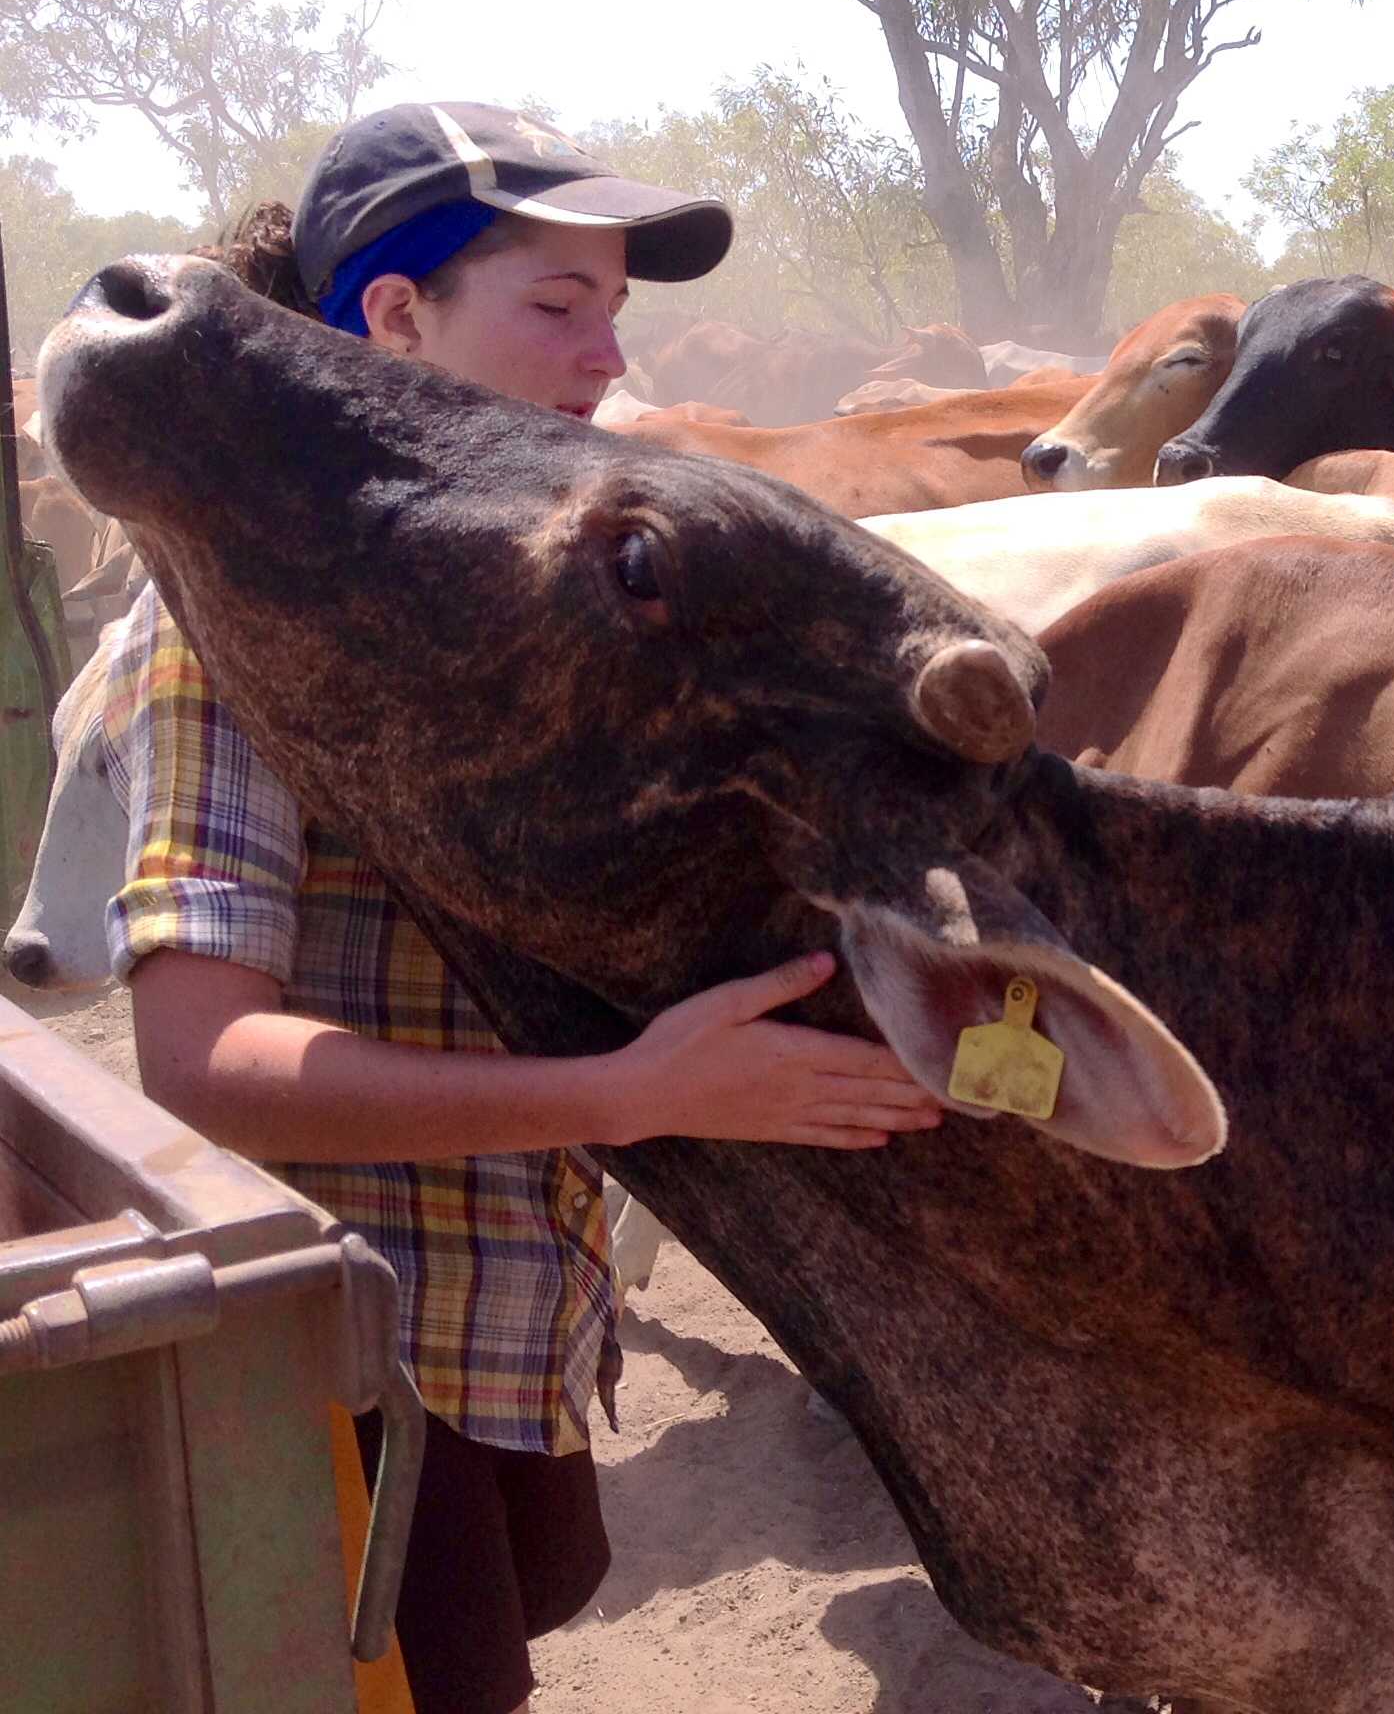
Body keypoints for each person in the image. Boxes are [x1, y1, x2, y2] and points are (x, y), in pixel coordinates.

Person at [104, 101, 946, 1714]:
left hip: (513, 1298)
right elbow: (198, 1060)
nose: (603, 362)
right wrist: (633, 1092)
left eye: (615, 313)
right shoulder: (242, 617)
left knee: (551, 1578)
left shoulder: (550, 598)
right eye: (555, 308)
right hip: (349, 1356)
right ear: (395, 319)